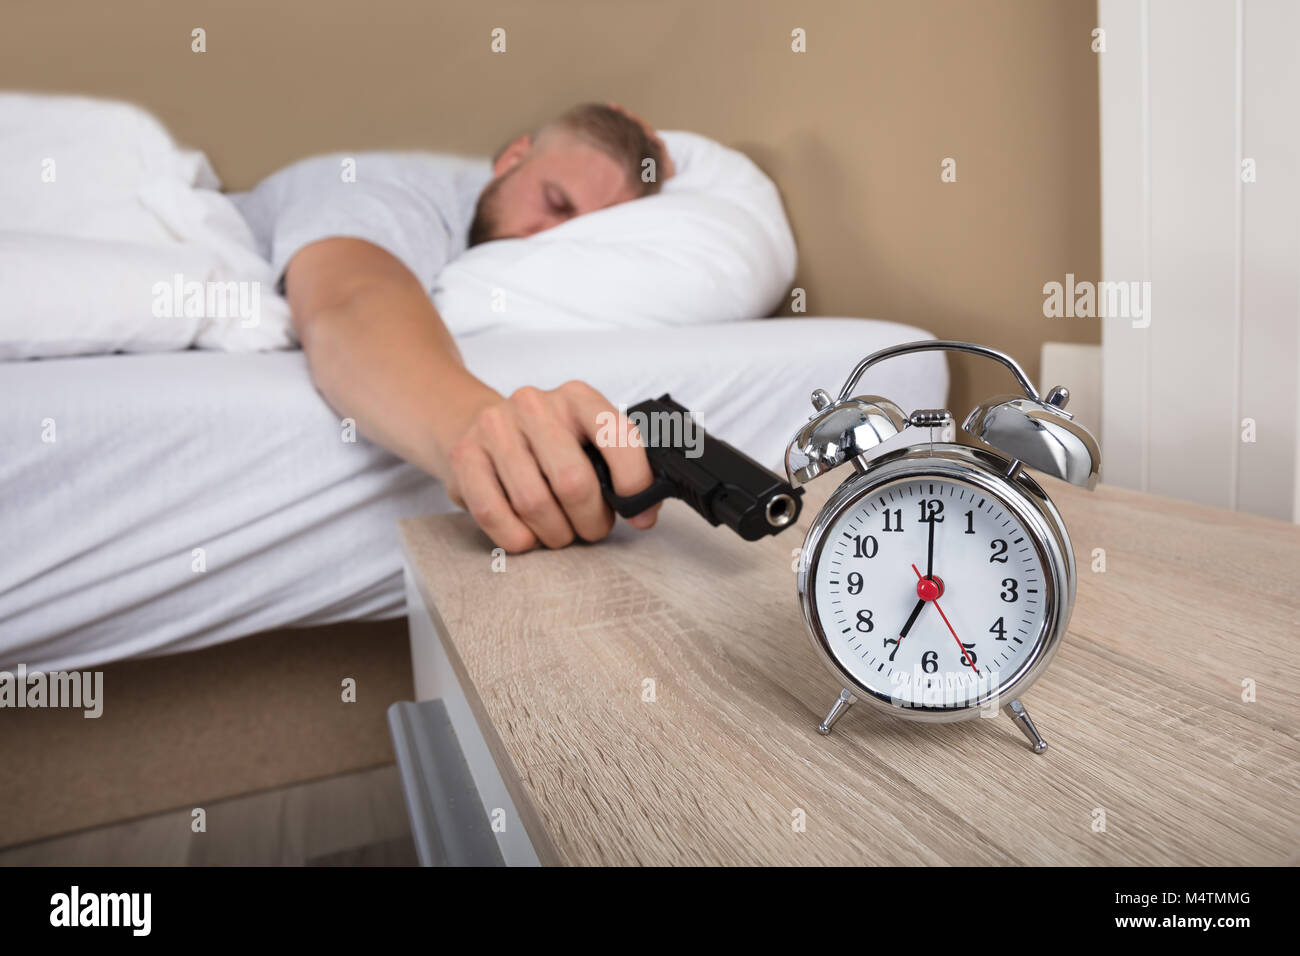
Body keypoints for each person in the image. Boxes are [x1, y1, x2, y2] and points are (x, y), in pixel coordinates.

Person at [230, 103, 673, 553]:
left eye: (575, 232)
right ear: (513, 158)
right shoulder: (386, 192)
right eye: (555, 203)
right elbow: (352, 297)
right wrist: (488, 438)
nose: (546, 235)